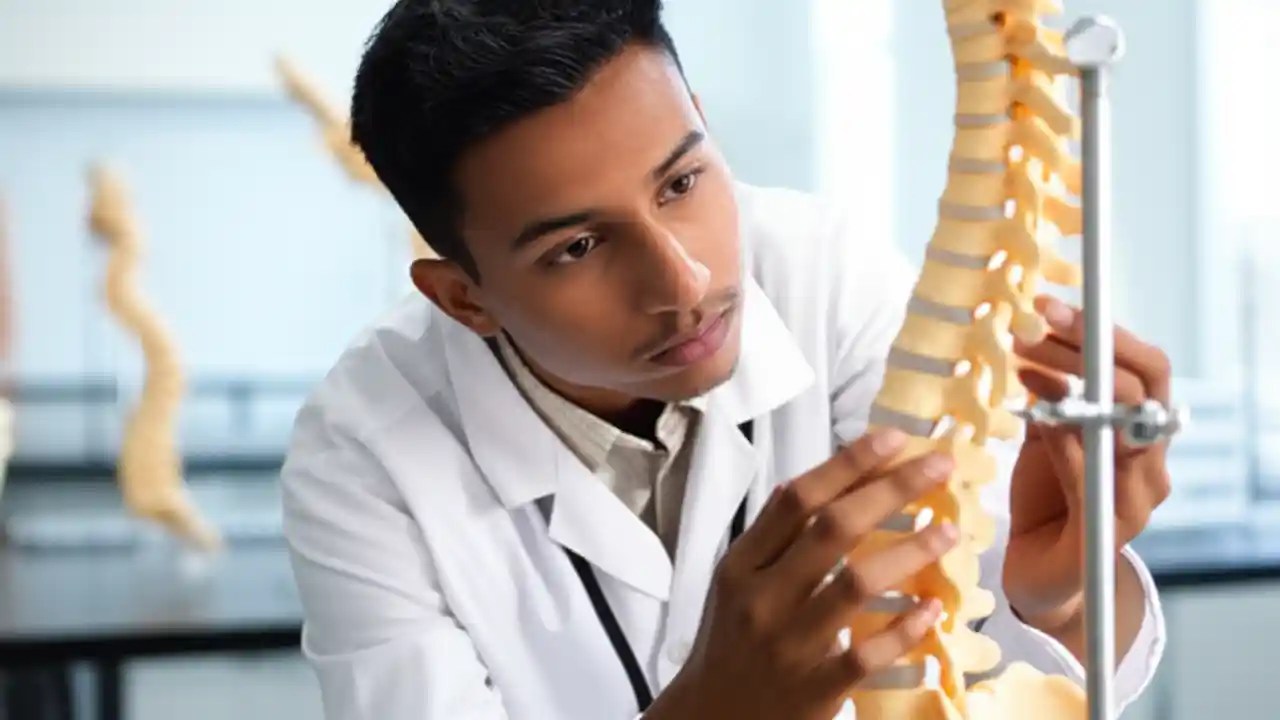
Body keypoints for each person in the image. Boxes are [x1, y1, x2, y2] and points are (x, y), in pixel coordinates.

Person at [280, 1, 1171, 718]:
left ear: (702, 126)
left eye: (681, 182)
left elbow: (958, 670)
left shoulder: (825, 274)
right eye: (579, 247)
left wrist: (1051, 593)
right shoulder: (363, 454)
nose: (687, 279)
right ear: (462, 297)